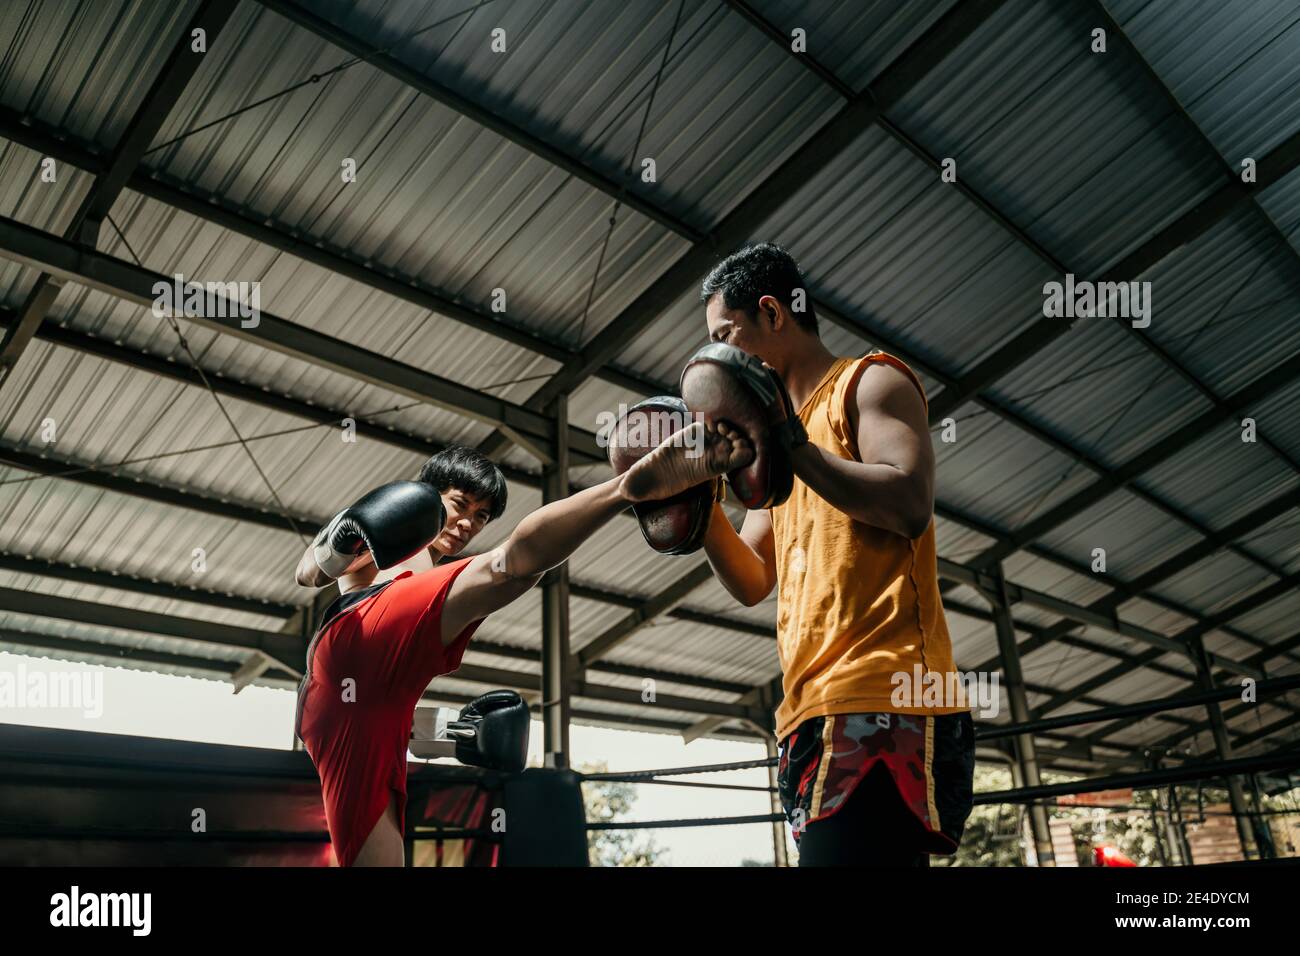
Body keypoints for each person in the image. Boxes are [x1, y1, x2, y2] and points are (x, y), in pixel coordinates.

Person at [293, 433, 751, 867]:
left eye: (481, 516)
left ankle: (628, 489)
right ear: (427, 496)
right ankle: (627, 488)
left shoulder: (433, 580)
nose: (467, 523)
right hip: (356, 632)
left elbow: (385, 695)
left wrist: (454, 736)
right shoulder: (389, 532)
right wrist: (336, 547)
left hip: (362, 715)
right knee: (507, 567)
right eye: (460, 505)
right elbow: (305, 573)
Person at [695, 243, 975, 866]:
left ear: (771, 312)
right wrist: (696, 506)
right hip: (808, 706)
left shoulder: (871, 380)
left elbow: (908, 501)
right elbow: (752, 577)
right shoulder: (773, 446)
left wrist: (793, 447)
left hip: (886, 690)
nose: (718, 356)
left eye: (725, 334)